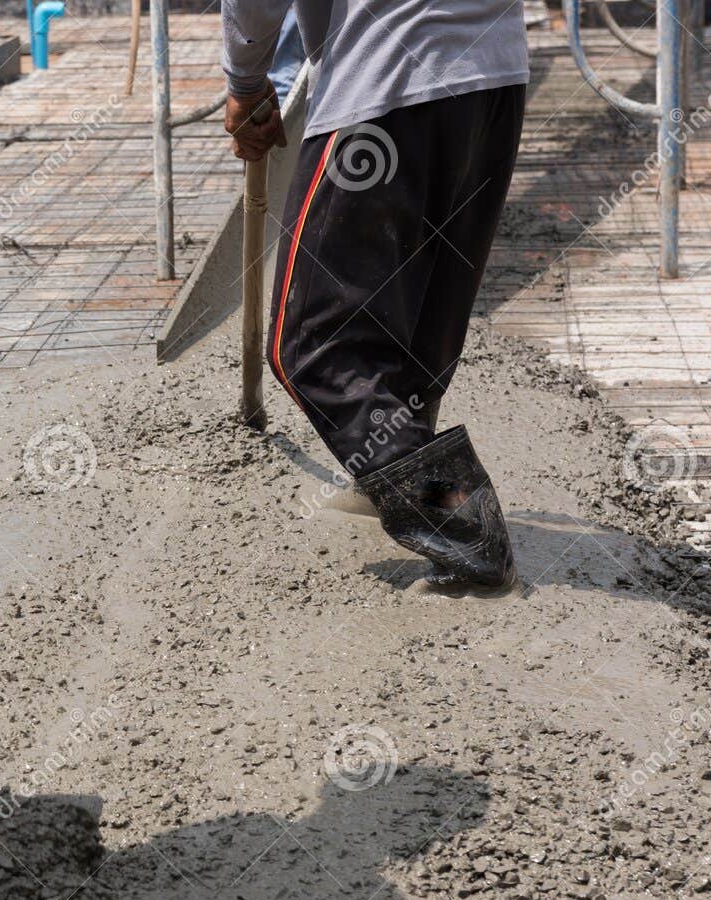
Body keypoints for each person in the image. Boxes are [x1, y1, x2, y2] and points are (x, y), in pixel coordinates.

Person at [223, 0, 527, 589]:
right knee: (419, 313)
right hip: (494, 80)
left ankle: (461, 526)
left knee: (314, 346)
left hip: (390, 79)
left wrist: (245, 77)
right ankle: (383, 471)